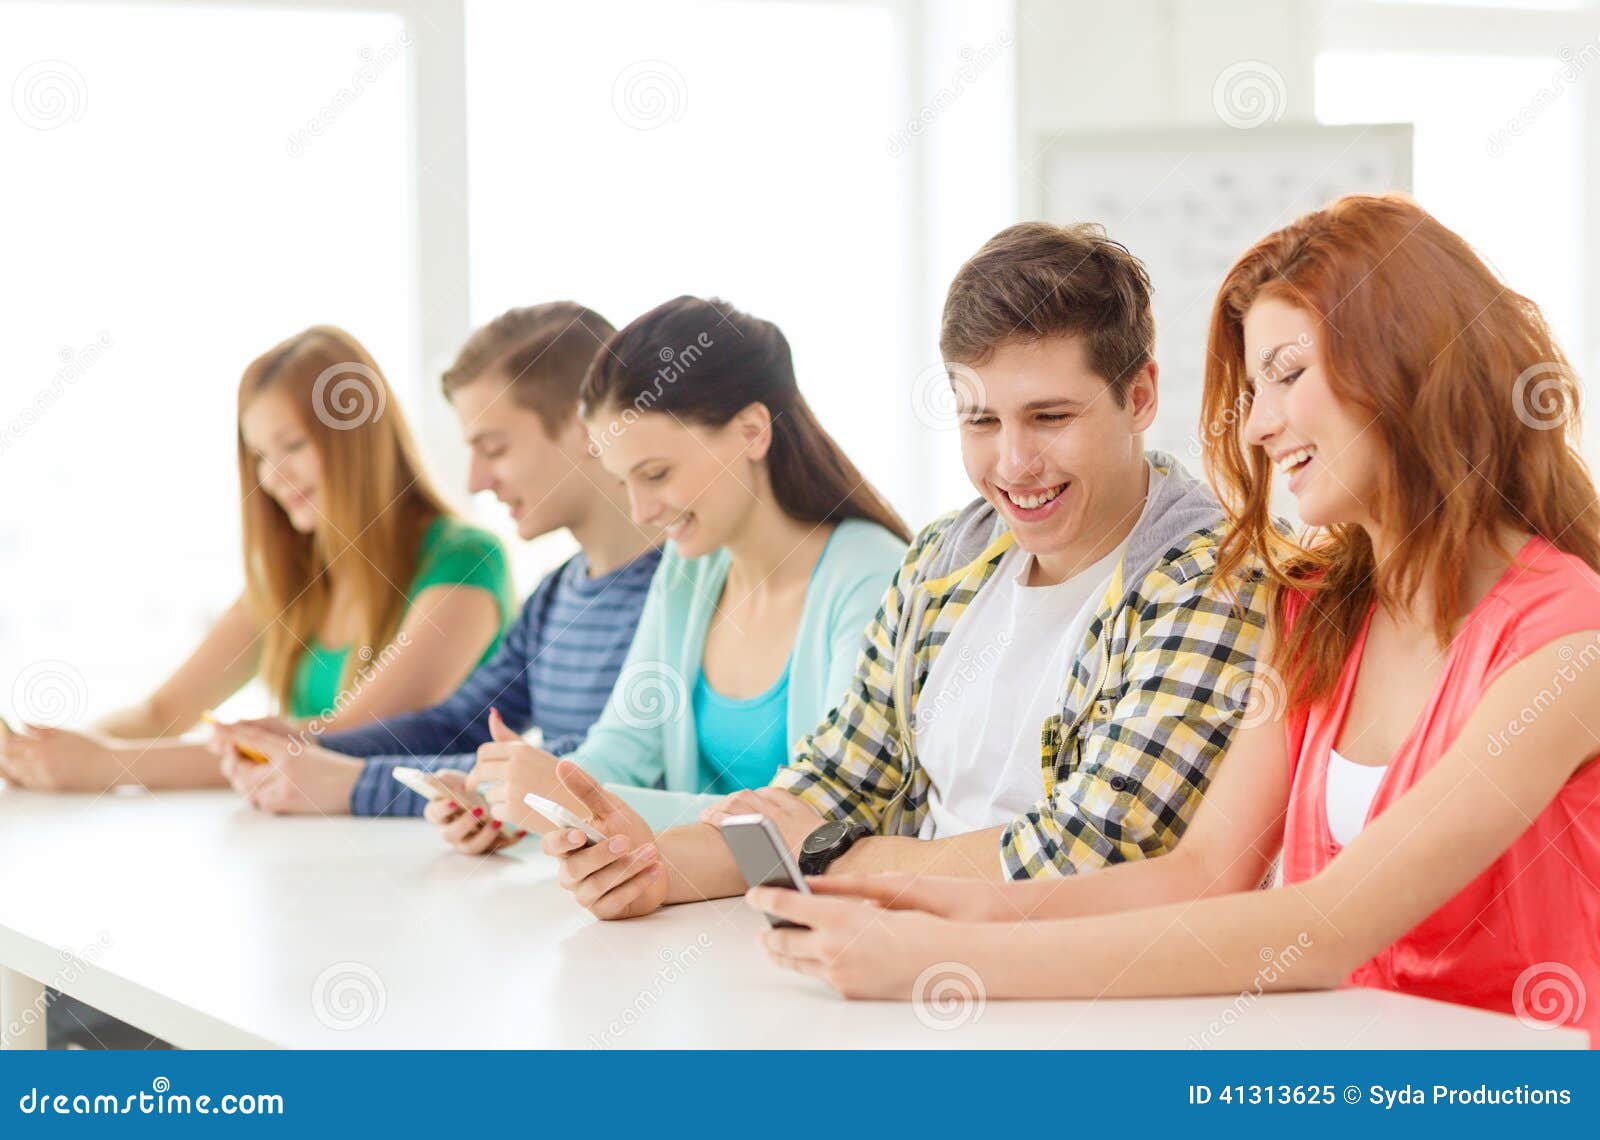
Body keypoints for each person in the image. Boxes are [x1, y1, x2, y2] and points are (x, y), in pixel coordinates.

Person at [744, 195, 1600, 1046]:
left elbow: (1328, 926)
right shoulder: (1315, 611)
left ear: (1408, 363)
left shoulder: (1568, 640)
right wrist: (913, 902)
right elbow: (1198, 876)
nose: (1258, 425)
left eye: (1288, 375)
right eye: (1254, 389)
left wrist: (942, 960)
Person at [540, 223, 1272, 920]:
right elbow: (824, 792)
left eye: (1050, 417)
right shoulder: (945, 560)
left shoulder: (1211, 579)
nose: (1014, 463)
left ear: (1139, 398)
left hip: (1072, 985)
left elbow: (1093, 851)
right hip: (903, 954)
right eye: (981, 421)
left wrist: (839, 858)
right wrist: (657, 870)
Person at [421, 295, 911, 855]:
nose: (641, 511)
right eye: (624, 481)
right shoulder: (689, 569)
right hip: (690, 899)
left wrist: (580, 806)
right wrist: (522, 805)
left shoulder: (870, 577)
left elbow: (820, 819)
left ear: (752, 431)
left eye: (655, 474)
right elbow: (621, 749)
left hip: (796, 903)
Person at [0, 326, 513, 794]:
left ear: (360, 440)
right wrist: (42, 757)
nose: (273, 477)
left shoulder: (465, 561)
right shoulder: (293, 577)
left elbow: (342, 740)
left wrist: (109, 767)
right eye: (261, 456)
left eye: (293, 445)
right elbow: (162, 711)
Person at [209, 303, 665, 821]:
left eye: (494, 448)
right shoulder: (554, 597)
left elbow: (586, 774)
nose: (475, 480)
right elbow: (455, 725)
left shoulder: (679, 593)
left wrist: (352, 784)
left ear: (587, 429)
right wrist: (310, 744)